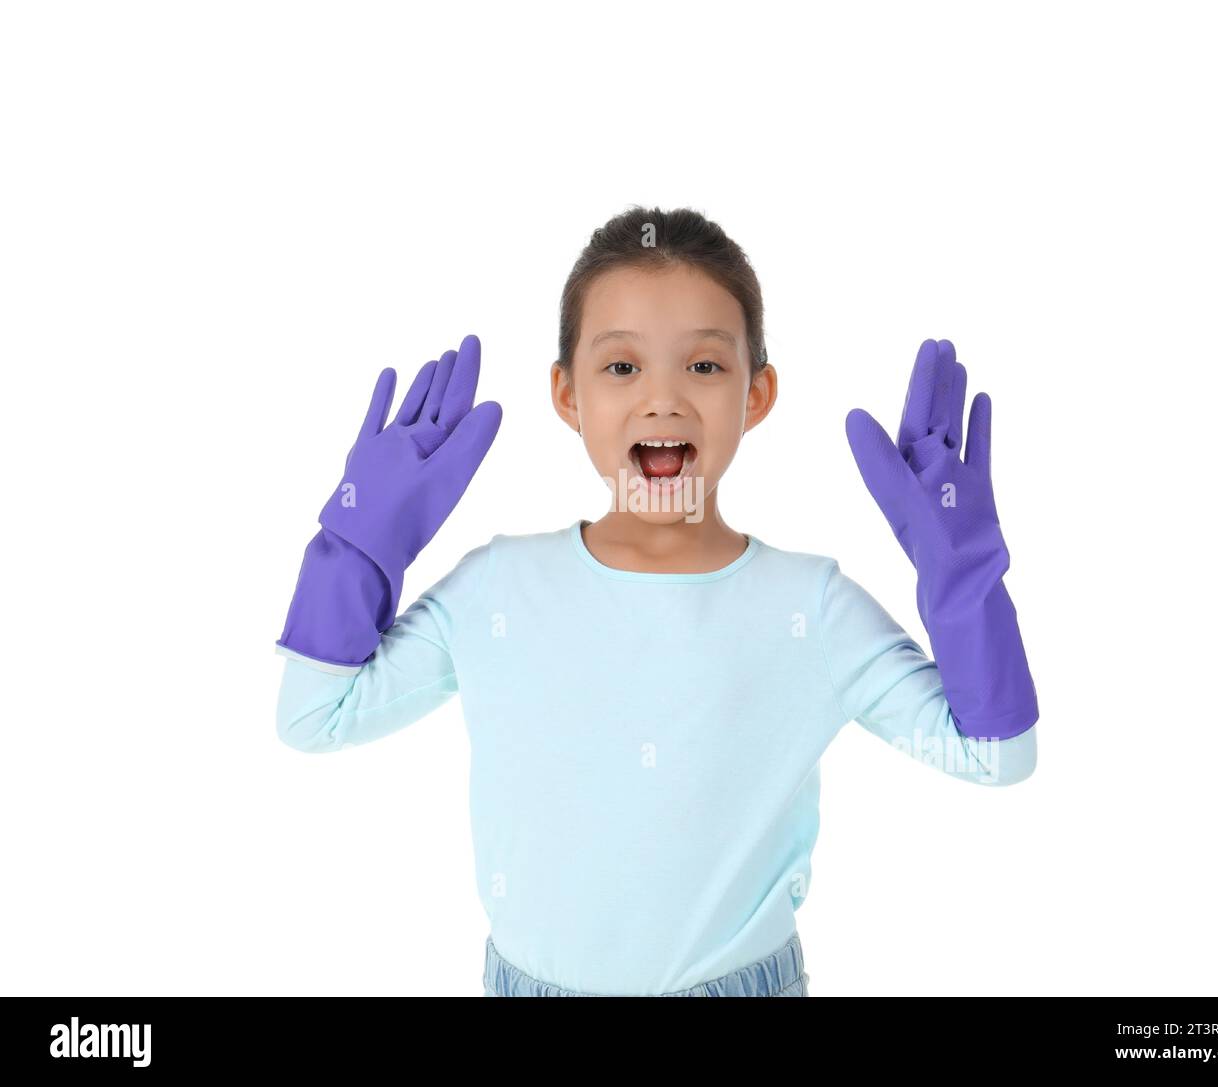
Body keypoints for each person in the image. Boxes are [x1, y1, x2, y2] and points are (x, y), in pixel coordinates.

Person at [274, 205, 1039, 997]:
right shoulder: (497, 587)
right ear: (567, 395)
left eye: (704, 366)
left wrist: (962, 574)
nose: (663, 399)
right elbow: (311, 716)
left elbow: (997, 757)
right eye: (621, 367)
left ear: (758, 393)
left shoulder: (811, 608)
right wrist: (363, 541)